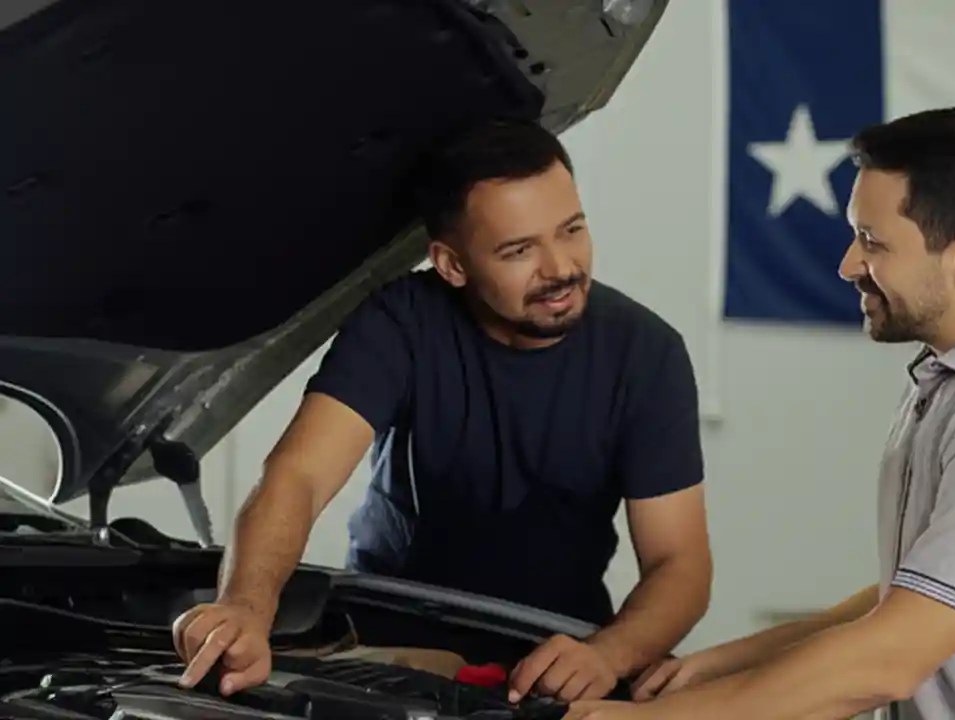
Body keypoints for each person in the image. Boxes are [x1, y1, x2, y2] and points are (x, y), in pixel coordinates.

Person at [564, 107, 955, 720]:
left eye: (872, 241)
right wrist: (716, 668)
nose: (849, 264)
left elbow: (891, 656)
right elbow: (908, 599)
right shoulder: (953, 379)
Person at [170, 117, 713, 705]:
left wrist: (610, 654)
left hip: (559, 655)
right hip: (385, 640)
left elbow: (678, 563)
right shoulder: (399, 322)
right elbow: (297, 476)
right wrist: (247, 608)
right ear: (452, 265)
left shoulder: (647, 353)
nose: (560, 267)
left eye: (572, 229)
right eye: (519, 250)